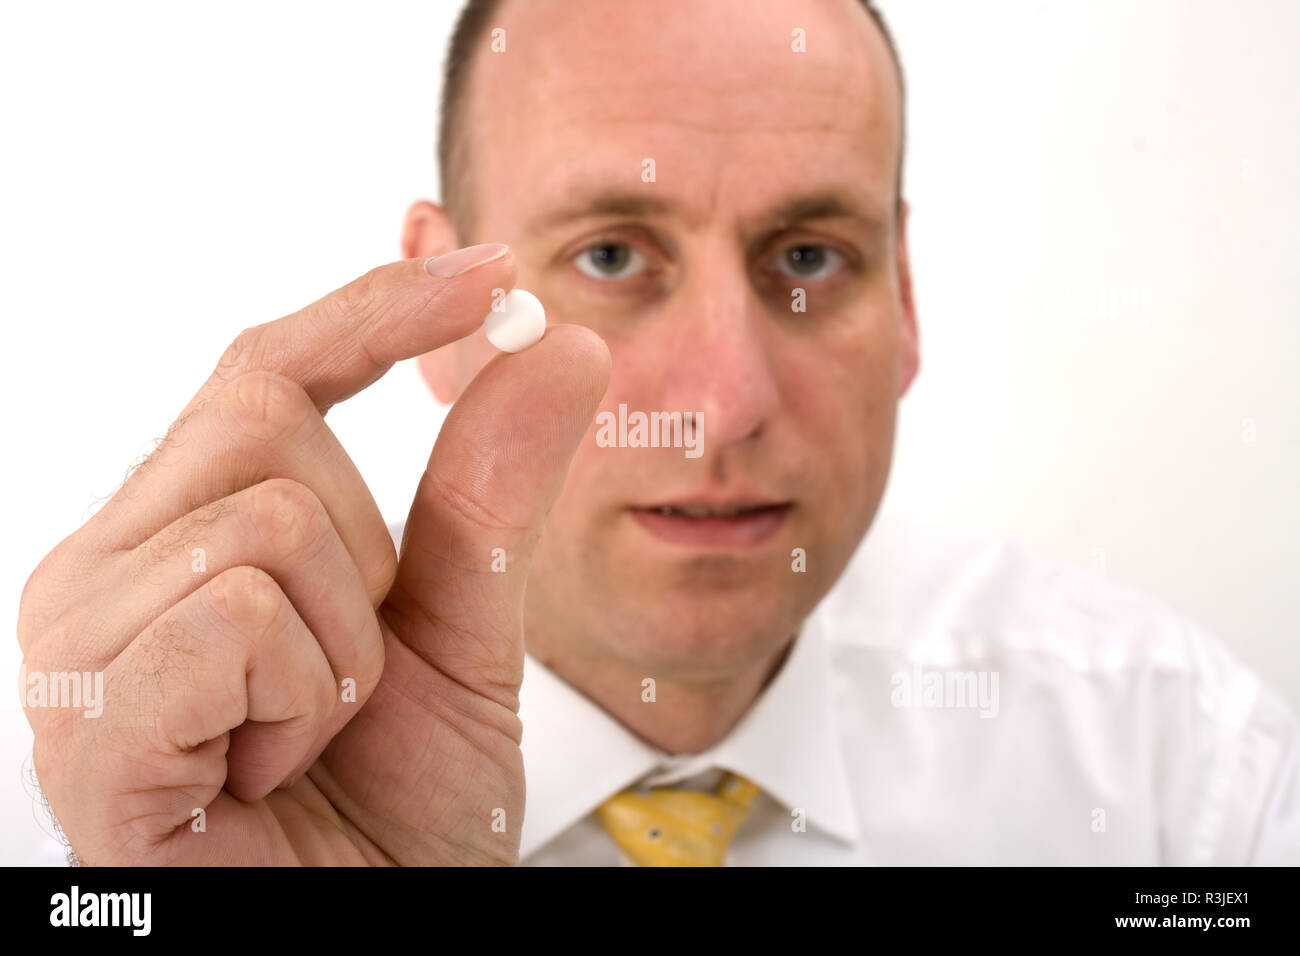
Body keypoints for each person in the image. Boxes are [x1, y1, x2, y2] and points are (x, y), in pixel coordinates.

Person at [19, 0, 1299, 866]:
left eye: (809, 255)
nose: (722, 400)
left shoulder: (1173, 776)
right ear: (440, 309)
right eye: (614, 253)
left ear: (902, 298)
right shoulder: (155, 789)